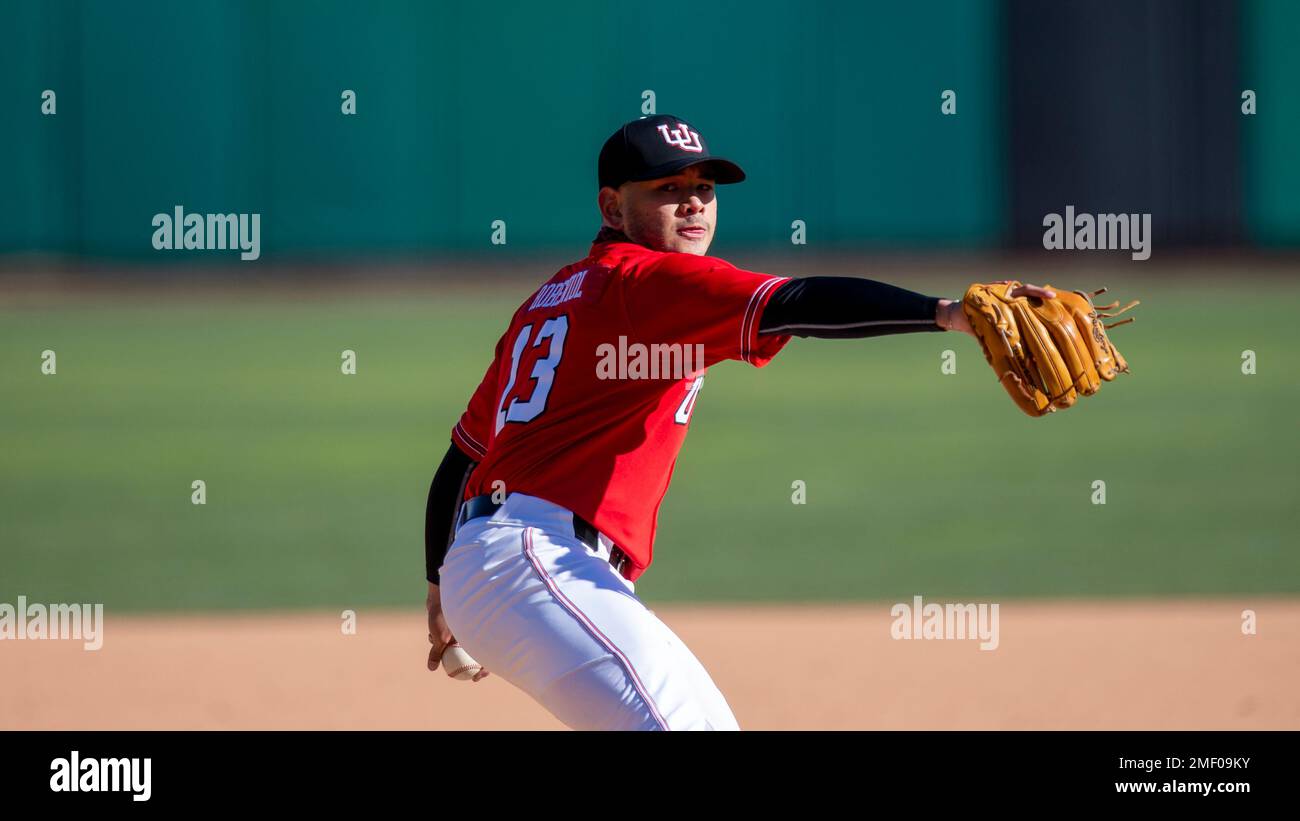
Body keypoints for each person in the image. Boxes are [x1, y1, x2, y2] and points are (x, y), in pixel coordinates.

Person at [423, 114, 1053, 730]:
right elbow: (795, 302)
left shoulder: (549, 299)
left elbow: (463, 457)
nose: (694, 204)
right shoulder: (649, 280)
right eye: (668, 190)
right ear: (612, 209)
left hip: (503, 567)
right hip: (539, 559)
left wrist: (441, 591)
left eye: (704, 188)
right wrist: (946, 314)